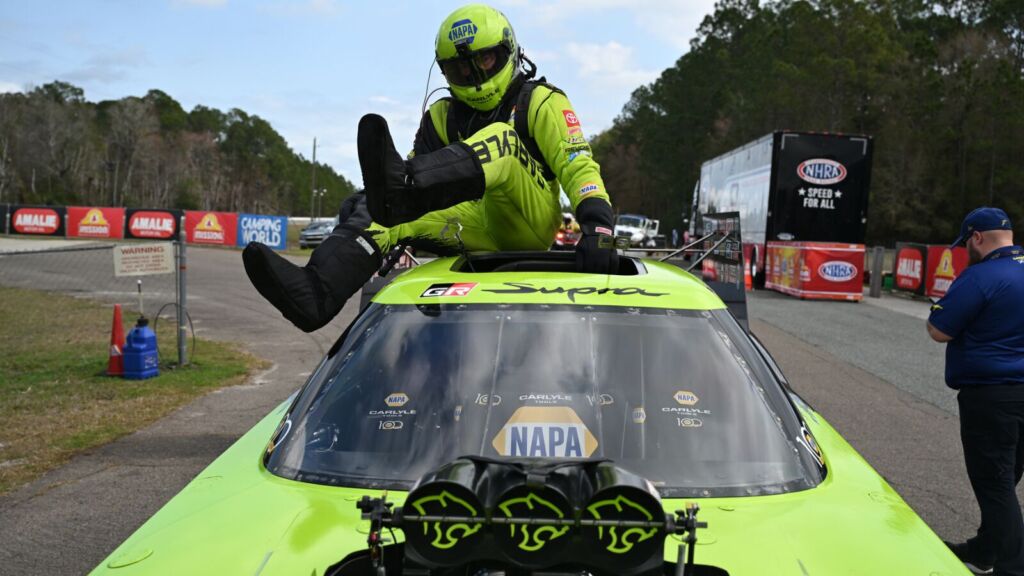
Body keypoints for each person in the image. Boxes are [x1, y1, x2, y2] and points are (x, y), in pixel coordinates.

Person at [242, 3, 619, 332]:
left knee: (499, 140)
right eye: (461, 70)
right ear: (444, 72)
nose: (475, 77)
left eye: (484, 61)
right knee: (386, 204)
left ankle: (393, 192)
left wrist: (598, 225)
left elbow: (578, 165)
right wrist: (364, 210)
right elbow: (411, 184)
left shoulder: (541, 101)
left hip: (529, 220)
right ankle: (318, 292)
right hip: (472, 223)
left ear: (510, 52)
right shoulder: (440, 116)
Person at [927, 207, 1024, 576]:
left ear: (977, 237)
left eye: (967, 241)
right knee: (1007, 476)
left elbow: (940, 330)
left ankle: (1013, 567)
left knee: (995, 482)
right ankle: (987, 548)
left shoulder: (981, 276)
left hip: (992, 395)